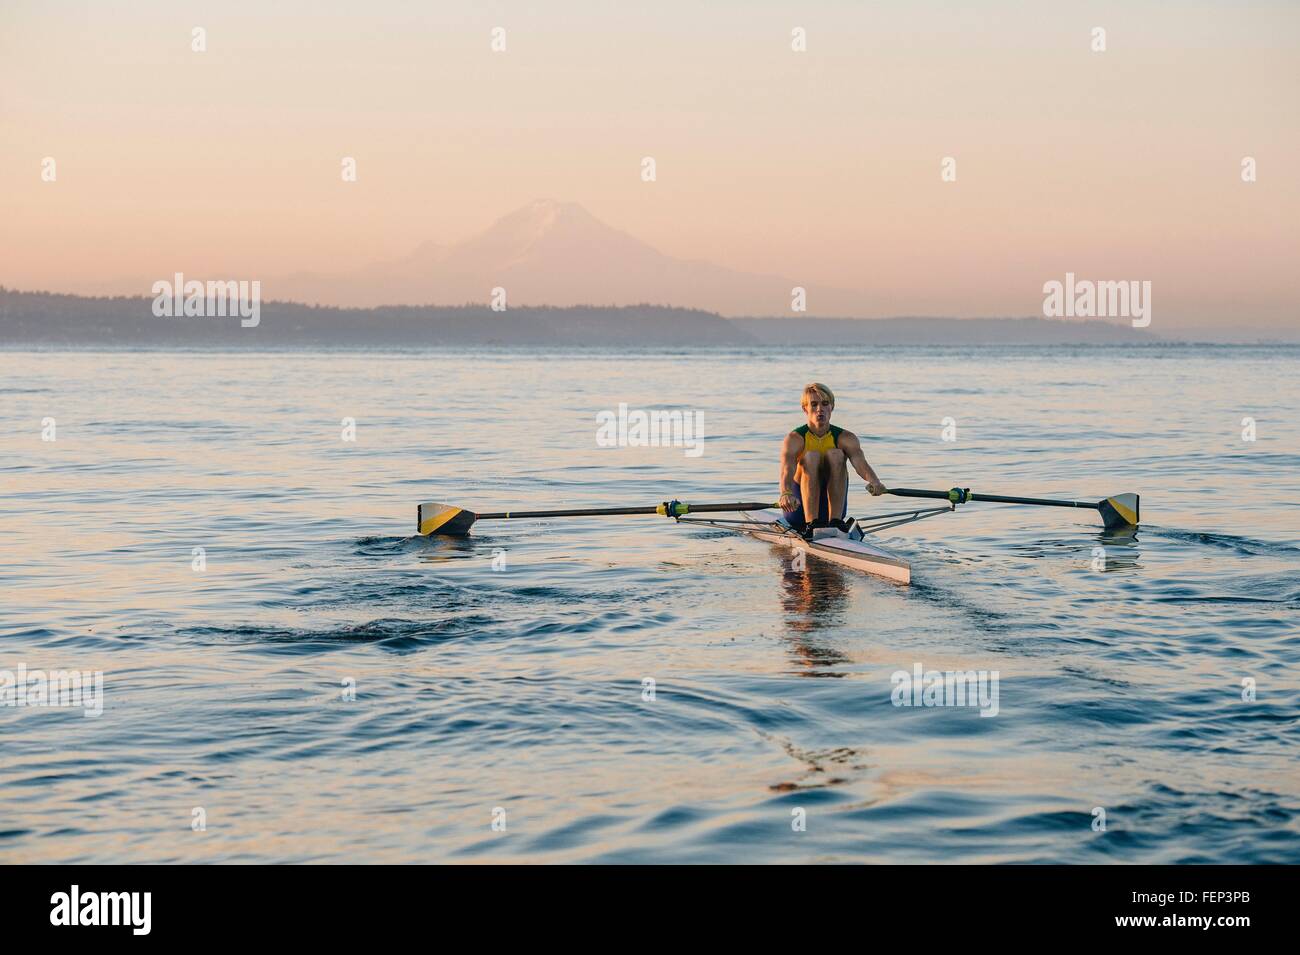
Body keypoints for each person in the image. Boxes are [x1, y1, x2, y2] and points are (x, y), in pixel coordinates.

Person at [777, 383, 886, 539]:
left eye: (825, 404)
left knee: (836, 455)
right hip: (798, 510)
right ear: (805, 409)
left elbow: (861, 463)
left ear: (832, 407)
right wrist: (786, 493)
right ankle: (811, 524)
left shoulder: (846, 438)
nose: (820, 409)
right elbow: (786, 470)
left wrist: (875, 482)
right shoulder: (794, 439)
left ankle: (835, 522)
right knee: (811, 457)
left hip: (832, 511)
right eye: (814, 404)